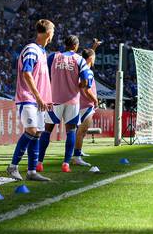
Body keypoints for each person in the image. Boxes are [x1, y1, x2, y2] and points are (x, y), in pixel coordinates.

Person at [7, 19, 54, 182]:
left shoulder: (42, 52)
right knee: (32, 131)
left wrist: (45, 98)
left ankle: (32, 171)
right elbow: (27, 74)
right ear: (48, 33)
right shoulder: (32, 49)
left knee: (38, 133)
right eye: (53, 32)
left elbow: (40, 78)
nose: (53, 35)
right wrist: (39, 97)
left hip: (38, 101)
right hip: (27, 98)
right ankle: (13, 167)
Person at [44, 34, 98, 173]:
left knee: (47, 130)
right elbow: (85, 83)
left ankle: (38, 163)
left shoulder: (53, 57)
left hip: (54, 99)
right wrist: (77, 84)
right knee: (71, 131)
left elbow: (45, 73)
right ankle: (66, 163)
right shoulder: (79, 60)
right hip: (72, 100)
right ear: (75, 46)